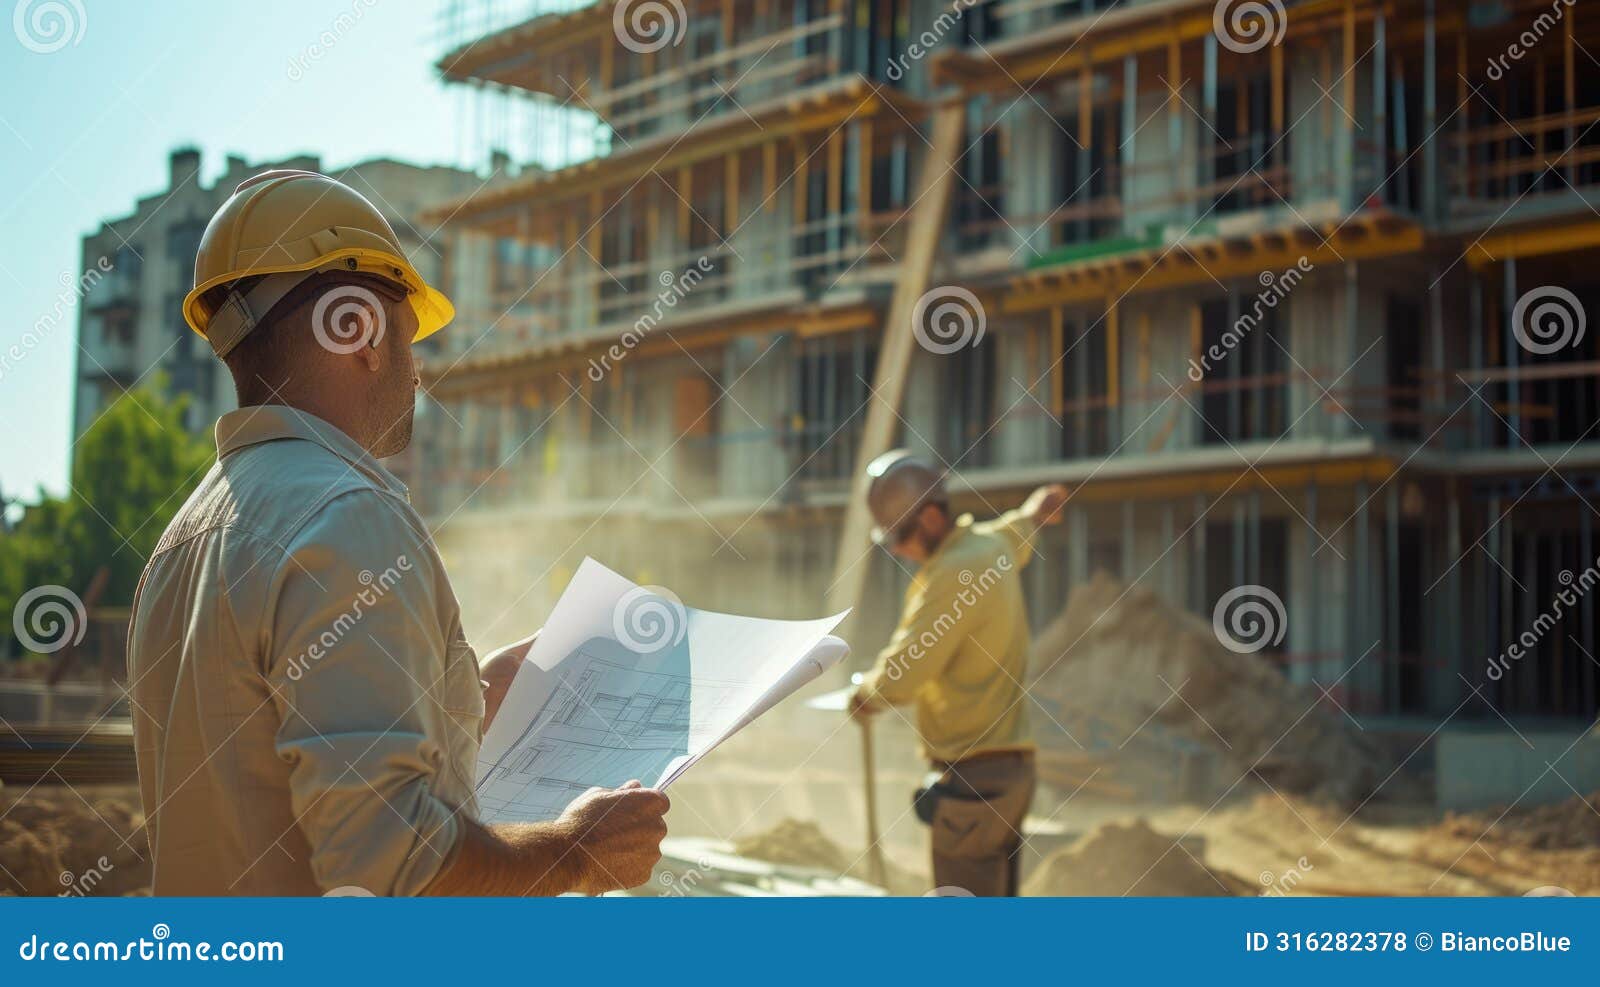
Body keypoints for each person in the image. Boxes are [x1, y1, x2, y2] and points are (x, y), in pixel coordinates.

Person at [127, 170, 668, 895]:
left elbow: (279, 743)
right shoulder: (349, 516)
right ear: (361, 333)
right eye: (411, 338)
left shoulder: (184, 538)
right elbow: (394, 867)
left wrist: (465, 699)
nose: (418, 374)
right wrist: (575, 848)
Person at [848, 450, 1067, 896]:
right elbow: (1019, 528)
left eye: (899, 535)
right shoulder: (989, 546)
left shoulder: (954, 572)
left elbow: (902, 674)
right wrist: (1037, 509)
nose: (896, 549)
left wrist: (864, 694)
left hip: (974, 780)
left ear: (929, 518)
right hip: (1009, 773)